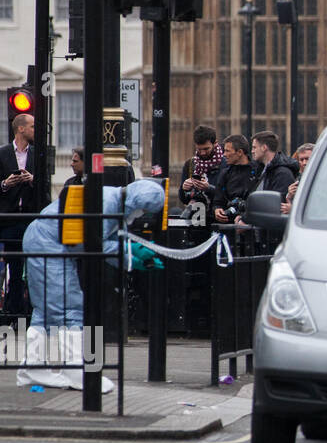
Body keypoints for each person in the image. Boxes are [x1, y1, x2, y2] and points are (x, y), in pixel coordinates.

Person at [17, 179, 164, 391]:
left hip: (48, 242)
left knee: (47, 311)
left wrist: (132, 257)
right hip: (49, 244)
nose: (141, 215)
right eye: (142, 210)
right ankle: (76, 373)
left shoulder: (115, 202)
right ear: (135, 202)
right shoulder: (106, 203)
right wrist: (129, 252)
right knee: (70, 307)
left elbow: (100, 241)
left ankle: (33, 368)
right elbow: (92, 243)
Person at [0, 113, 39, 317]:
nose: (36, 129)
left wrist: (32, 179)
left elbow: (45, 188)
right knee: (14, 267)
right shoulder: (3, 153)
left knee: (32, 267)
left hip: (31, 218)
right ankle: (13, 311)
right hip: (10, 218)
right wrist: (6, 184)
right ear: (21, 129)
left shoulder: (39, 154)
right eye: (33, 126)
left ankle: (30, 311)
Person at [212, 135, 258, 224]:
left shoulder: (257, 171)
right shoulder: (225, 174)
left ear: (240, 152)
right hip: (229, 226)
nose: (224, 155)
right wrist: (217, 210)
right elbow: (218, 201)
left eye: (227, 151)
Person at [180, 125, 225, 208]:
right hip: (196, 217)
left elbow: (228, 196)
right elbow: (183, 199)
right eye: (199, 149)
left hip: (218, 217)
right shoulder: (190, 164)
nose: (203, 153)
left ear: (215, 143)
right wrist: (184, 188)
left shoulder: (226, 164)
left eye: (206, 149)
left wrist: (209, 188)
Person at [251, 130, 297, 201]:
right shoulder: (262, 169)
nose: (252, 151)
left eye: (254, 147)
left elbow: (276, 204)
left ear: (264, 148)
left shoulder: (282, 174)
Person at [284, 143, 314, 212]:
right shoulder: (298, 178)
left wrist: (293, 209)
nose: (304, 163)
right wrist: (289, 196)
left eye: (307, 159)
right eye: (301, 160)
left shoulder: (322, 178)